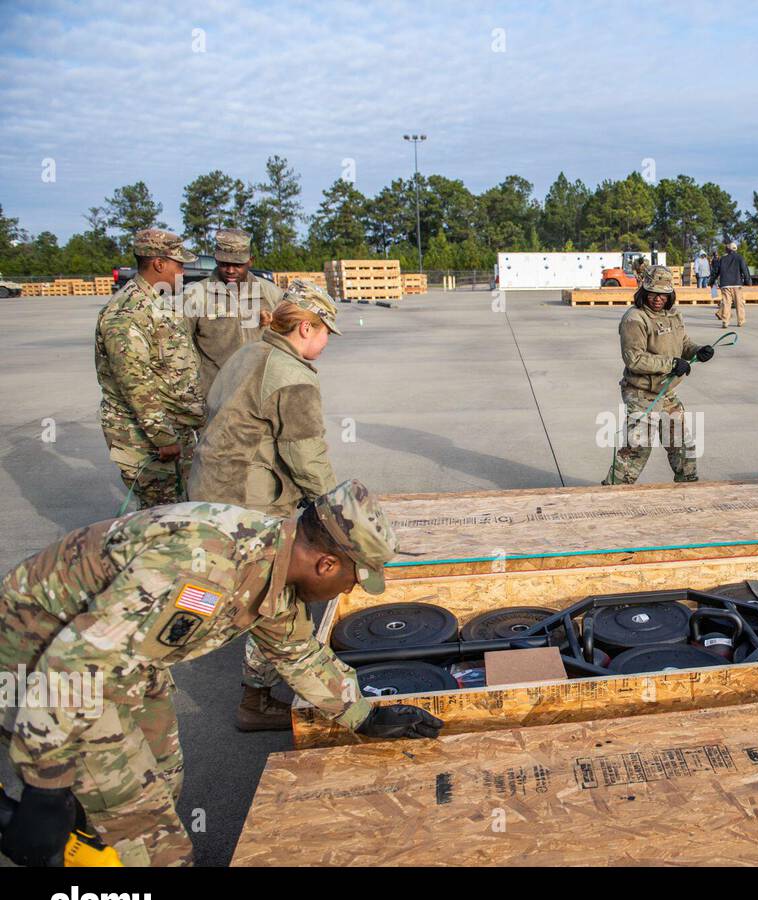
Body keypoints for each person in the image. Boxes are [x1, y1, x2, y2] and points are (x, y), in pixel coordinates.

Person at [0, 479, 443, 867]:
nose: (348, 590)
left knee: (162, 777)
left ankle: (89, 832)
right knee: (151, 837)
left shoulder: (276, 562)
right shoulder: (203, 564)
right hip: (38, 657)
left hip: (127, 658)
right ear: (326, 564)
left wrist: (364, 716)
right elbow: (73, 663)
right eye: (353, 579)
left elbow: (297, 653)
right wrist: (45, 783)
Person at [188, 279, 342, 731]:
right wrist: (337, 515)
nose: (328, 341)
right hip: (249, 505)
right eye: (326, 331)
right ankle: (256, 701)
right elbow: (306, 456)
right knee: (278, 597)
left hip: (212, 492)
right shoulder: (291, 376)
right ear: (306, 328)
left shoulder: (249, 353)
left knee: (241, 590)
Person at [94, 229, 206, 509]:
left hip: (173, 428)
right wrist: (163, 436)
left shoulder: (156, 303)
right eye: (179, 265)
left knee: (182, 509)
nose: (183, 272)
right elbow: (134, 382)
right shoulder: (127, 312)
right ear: (159, 264)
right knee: (160, 516)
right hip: (146, 438)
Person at [604, 265, 713, 484]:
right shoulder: (634, 318)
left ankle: (689, 487)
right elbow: (634, 358)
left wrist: (696, 350)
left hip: (667, 391)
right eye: (653, 293)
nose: (657, 299)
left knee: (682, 443)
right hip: (641, 392)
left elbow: (682, 343)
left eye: (663, 294)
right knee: (638, 448)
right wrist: (671, 363)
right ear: (644, 291)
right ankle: (612, 493)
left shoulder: (673, 314)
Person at [182, 227, 282, 397]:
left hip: (260, 392)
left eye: (237, 265)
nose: (230, 270)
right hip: (215, 394)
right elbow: (180, 346)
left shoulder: (270, 293)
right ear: (216, 260)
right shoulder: (195, 295)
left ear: (250, 261)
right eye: (224, 264)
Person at [711, 240, 751, 328]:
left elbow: (716, 271)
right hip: (737, 283)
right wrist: (748, 281)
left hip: (725, 284)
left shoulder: (723, 259)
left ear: (728, 250)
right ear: (735, 249)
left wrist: (711, 281)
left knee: (726, 303)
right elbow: (745, 270)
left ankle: (725, 321)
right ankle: (741, 321)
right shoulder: (740, 258)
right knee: (739, 303)